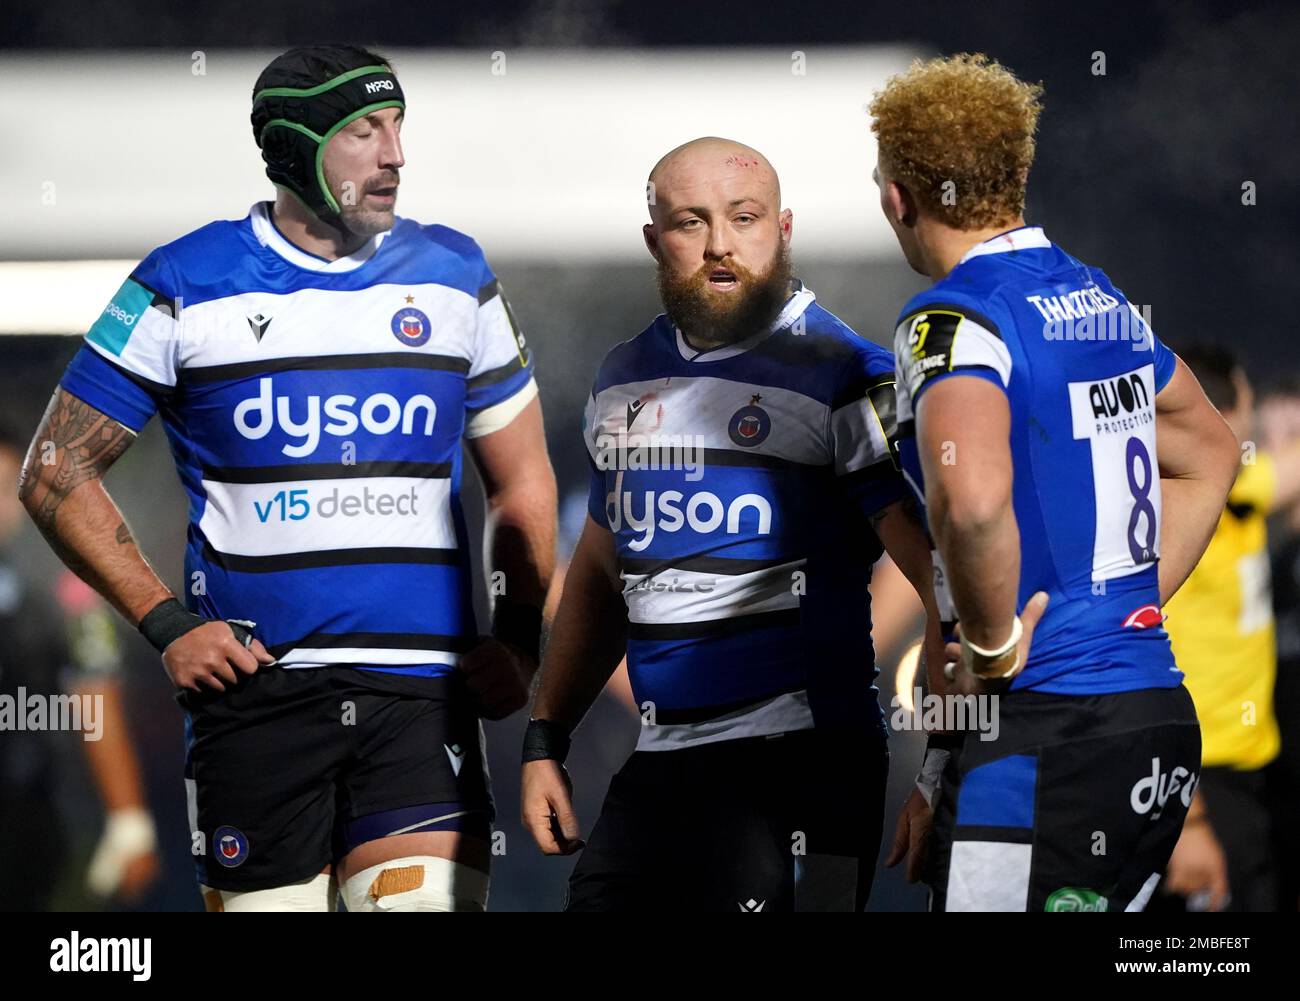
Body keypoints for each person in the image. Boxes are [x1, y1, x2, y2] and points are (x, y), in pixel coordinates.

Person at [18, 45, 556, 913]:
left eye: (399, 125)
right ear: (293, 147)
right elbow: (53, 469)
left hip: (421, 700)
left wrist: (521, 637)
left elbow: (524, 483)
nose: (396, 155)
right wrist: (167, 626)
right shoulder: (184, 280)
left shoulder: (458, 274)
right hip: (256, 698)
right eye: (364, 131)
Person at [520, 137, 946, 912]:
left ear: (782, 228)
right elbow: (598, 567)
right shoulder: (622, 376)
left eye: (743, 218)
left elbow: (940, 574)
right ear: (655, 240)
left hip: (805, 769)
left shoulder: (849, 374)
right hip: (658, 766)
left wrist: (941, 767)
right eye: (692, 222)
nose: (721, 245)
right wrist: (546, 734)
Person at [870, 53, 1240, 911]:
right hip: (1151, 714)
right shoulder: (1100, 299)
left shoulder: (951, 318)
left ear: (897, 196)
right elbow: (1212, 452)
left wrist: (999, 648)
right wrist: (1124, 608)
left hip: (1044, 729)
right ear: (1019, 173)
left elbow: (972, 500)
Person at [1160, 348, 1300, 911]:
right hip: (1199, 776)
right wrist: (1192, 816)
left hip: (1234, 775)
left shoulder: (1231, 491)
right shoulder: (1206, 484)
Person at [0, 423, 160, 909]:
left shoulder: (63, 582)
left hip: (40, 810)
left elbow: (94, 694)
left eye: (6, 489)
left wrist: (129, 817)